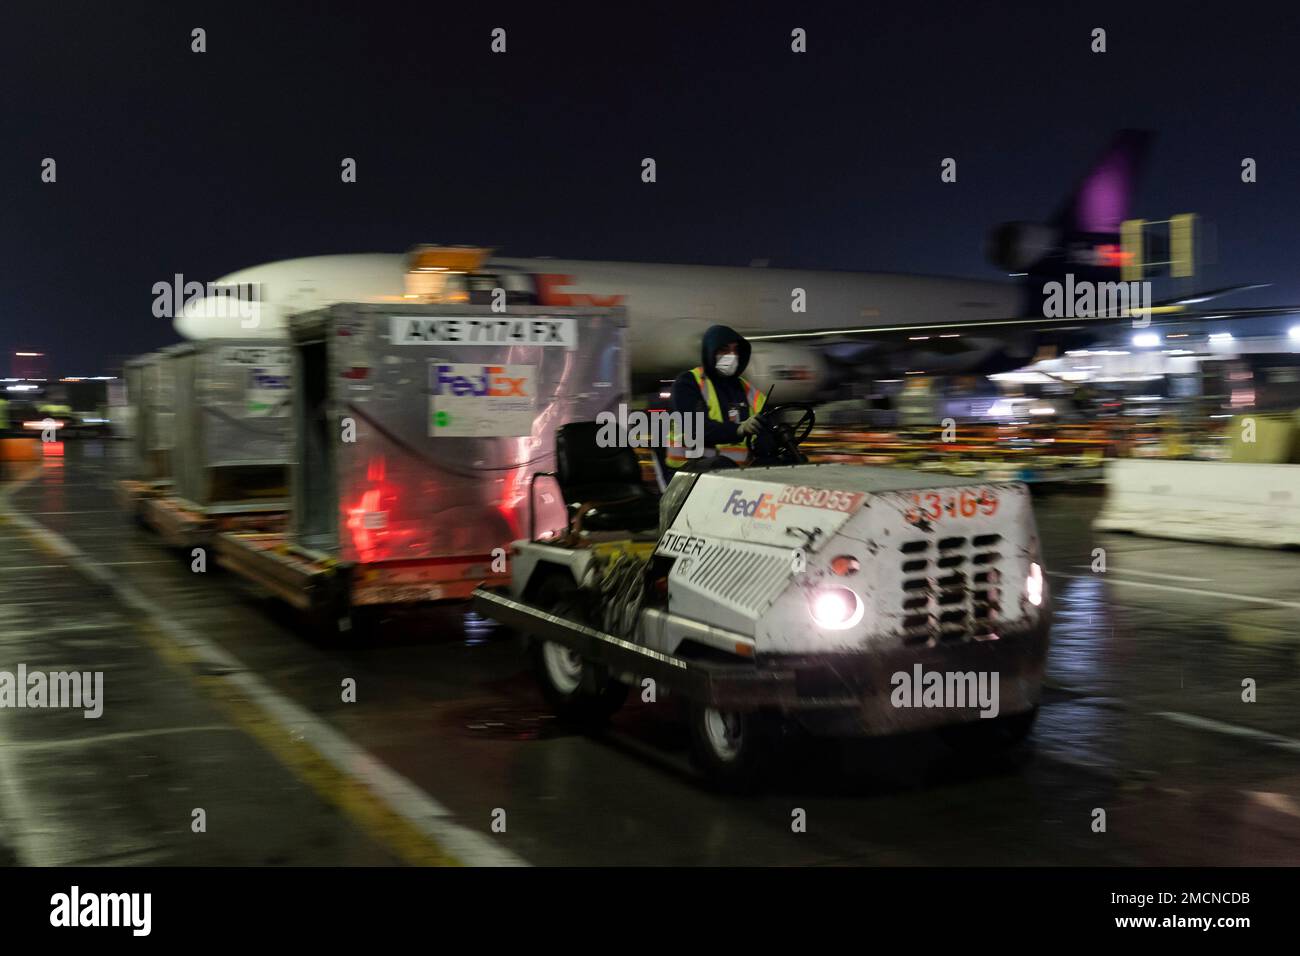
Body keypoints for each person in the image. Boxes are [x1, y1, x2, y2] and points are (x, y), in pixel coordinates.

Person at [664, 324, 767, 469]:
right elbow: (696, 429)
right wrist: (739, 429)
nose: (732, 356)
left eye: (736, 350)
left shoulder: (747, 389)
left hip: (738, 474)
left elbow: (766, 423)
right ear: (710, 352)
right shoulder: (689, 383)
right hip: (688, 471)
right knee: (720, 464)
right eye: (724, 350)